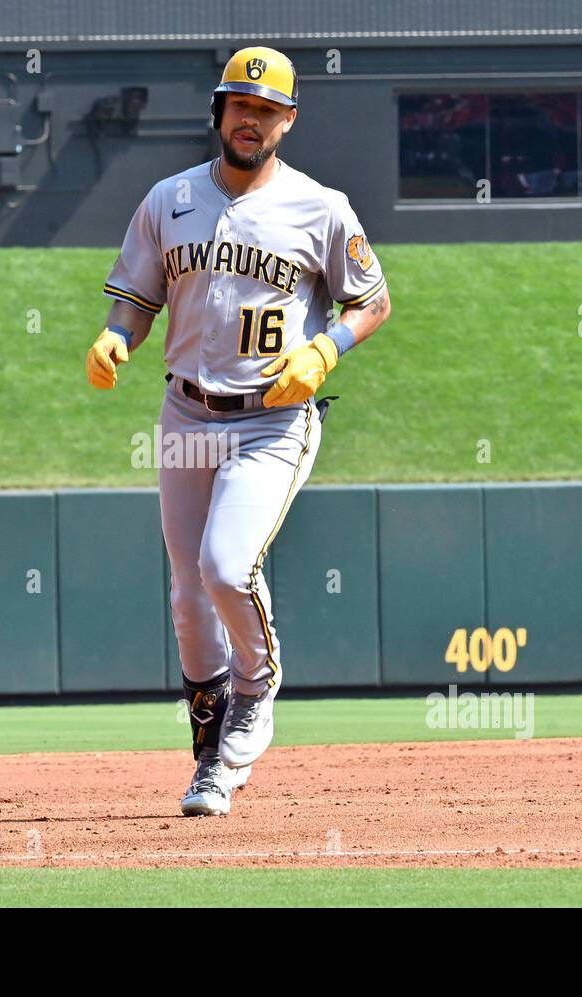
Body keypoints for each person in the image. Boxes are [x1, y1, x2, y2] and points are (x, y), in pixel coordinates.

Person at [85, 45, 391, 816]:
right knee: (188, 597)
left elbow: (372, 301)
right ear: (219, 112)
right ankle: (209, 763)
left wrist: (327, 347)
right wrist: (117, 335)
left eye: (265, 109)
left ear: (287, 121)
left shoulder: (321, 207)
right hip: (187, 412)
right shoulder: (168, 199)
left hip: (271, 419)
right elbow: (137, 298)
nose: (249, 119)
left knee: (225, 568)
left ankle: (255, 686)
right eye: (238, 105)